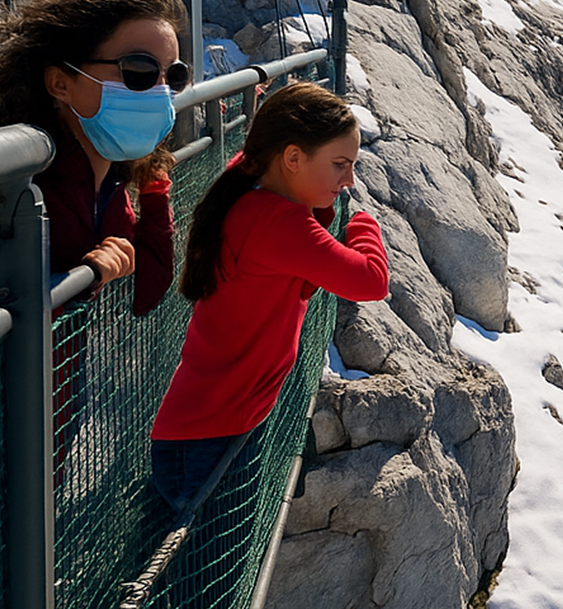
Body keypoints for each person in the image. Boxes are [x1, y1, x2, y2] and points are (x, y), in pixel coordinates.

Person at [150, 81, 388, 514]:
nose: (349, 179)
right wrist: (363, 224)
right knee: (207, 579)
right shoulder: (280, 223)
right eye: (340, 164)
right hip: (211, 442)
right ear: (293, 158)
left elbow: (253, 153)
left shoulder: (250, 188)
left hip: (209, 428)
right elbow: (371, 280)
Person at [0, 0, 188, 314]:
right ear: (60, 84)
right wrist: (84, 279)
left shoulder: (112, 181)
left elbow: (147, 293)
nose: (160, 91)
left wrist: (155, 191)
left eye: (173, 76)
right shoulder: (17, 186)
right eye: (139, 69)